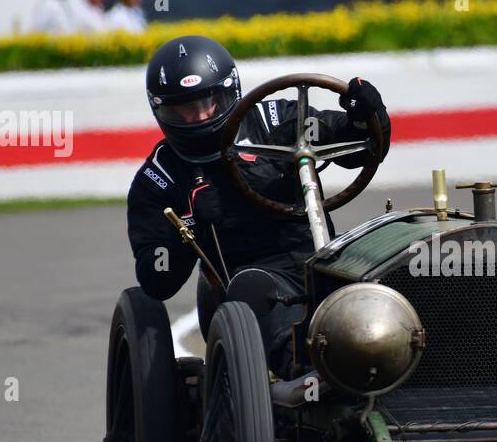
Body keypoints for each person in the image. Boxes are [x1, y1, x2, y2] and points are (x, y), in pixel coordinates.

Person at [126, 36, 393, 374]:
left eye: (209, 101)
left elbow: (359, 147)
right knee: (268, 304)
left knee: (387, 283)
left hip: (323, 259)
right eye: (185, 108)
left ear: (230, 92)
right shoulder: (158, 178)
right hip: (246, 285)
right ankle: (304, 372)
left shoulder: (276, 120)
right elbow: (155, 278)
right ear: (162, 110)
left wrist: (366, 116)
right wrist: (188, 228)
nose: (201, 115)